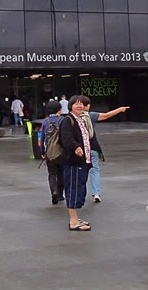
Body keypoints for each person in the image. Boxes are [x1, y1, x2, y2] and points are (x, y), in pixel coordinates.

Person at [79, 96, 130, 203]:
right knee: (95, 170)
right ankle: (96, 193)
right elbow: (107, 115)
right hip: (92, 147)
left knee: (81, 171)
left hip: (79, 148)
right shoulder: (91, 116)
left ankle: (80, 194)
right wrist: (120, 109)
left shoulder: (74, 117)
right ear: (87, 106)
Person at [59, 95, 94, 231]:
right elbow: (66, 138)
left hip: (82, 161)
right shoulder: (68, 120)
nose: (79, 106)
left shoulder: (80, 120)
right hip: (73, 161)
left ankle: (75, 217)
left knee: (79, 187)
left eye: (81, 104)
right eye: (76, 104)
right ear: (70, 106)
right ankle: (73, 221)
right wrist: (76, 147)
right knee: (73, 188)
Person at [39, 99, 65, 205]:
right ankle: (59, 194)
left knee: (52, 173)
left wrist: (42, 151)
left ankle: (53, 191)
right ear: (59, 109)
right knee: (61, 173)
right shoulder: (63, 120)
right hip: (61, 151)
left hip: (49, 151)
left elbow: (42, 138)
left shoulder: (45, 121)